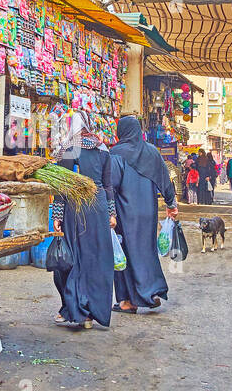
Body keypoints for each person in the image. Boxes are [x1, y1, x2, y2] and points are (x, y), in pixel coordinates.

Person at [110, 115, 178, 313]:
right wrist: (171, 203)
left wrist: (108, 212)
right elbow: (165, 180)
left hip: (125, 212)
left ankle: (127, 301)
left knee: (124, 255)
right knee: (145, 252)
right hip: (148, 212)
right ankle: (151, 291)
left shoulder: (116, 153)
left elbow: (111, 186)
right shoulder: (152, 151)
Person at [50, 121, 115, 329]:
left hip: (77, 207)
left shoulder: (69, 150)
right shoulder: (103, 149)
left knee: (74, 258)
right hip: (99, 207)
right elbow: (108, 185)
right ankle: (93, 310)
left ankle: (78, 311)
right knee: (96, 259)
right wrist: (111, 213)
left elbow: (62, 187)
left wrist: (57, 215)